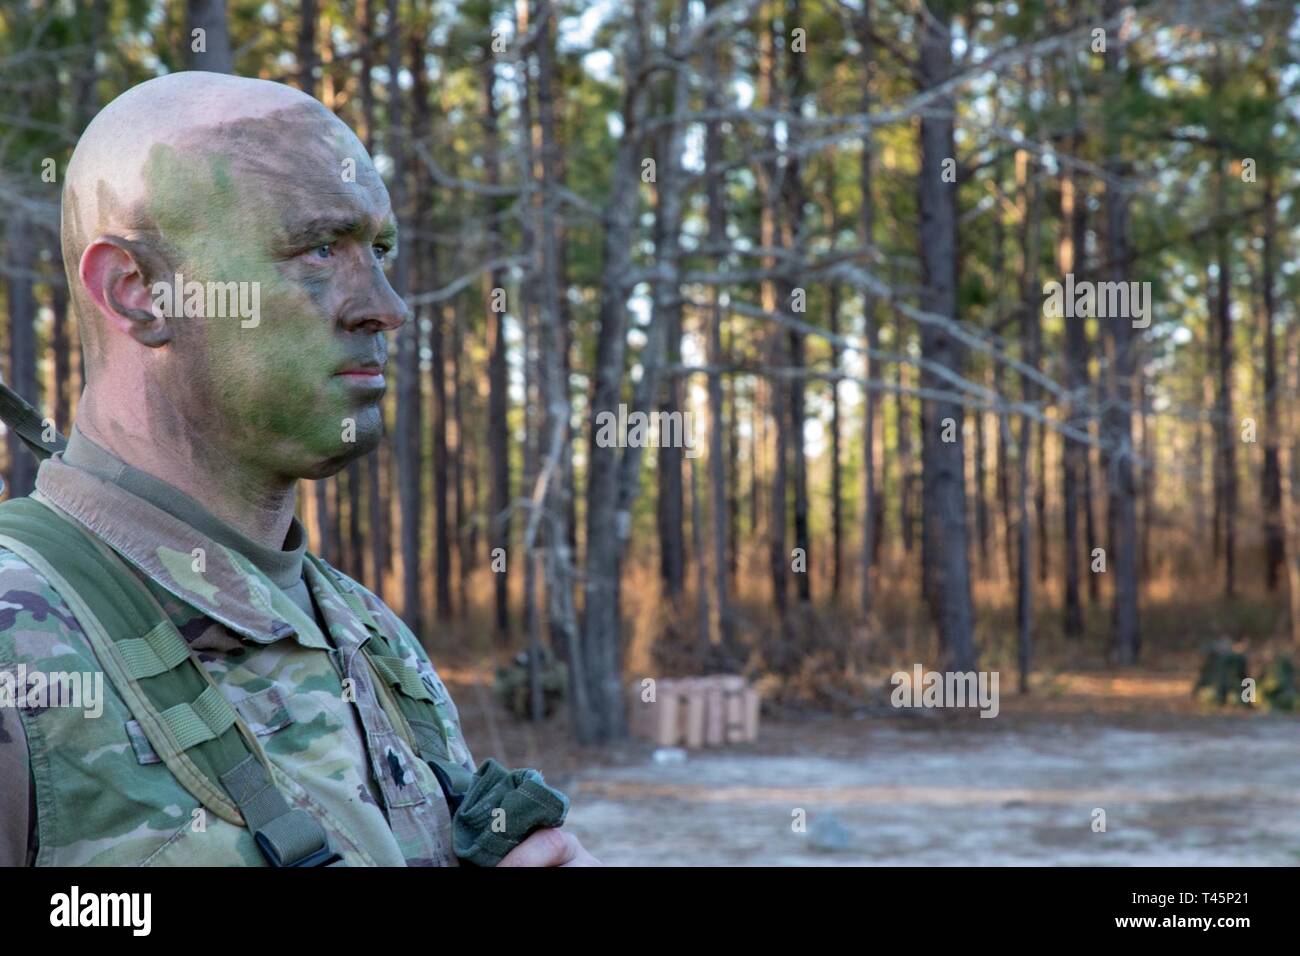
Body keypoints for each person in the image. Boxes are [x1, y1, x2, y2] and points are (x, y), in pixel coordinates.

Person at [0, 71, 598, 867]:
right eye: (319, 250)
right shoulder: (20, 640)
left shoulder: (373, 638)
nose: (386, 306)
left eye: (379, 250)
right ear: (139, 292)